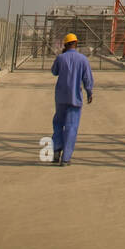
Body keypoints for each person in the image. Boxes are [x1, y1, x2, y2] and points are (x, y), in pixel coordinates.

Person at [50, 33, 94, 166]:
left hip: (61, 97)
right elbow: (87, 78)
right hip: (75, 97)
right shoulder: (83, 59)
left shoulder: (61, 58)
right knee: (71, 127)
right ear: (76, 43)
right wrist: (89, 91)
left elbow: (54, 71)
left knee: (58, 124)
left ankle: (57, 150)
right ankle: (66, 158)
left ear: (65, 44)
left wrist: (61, 56)